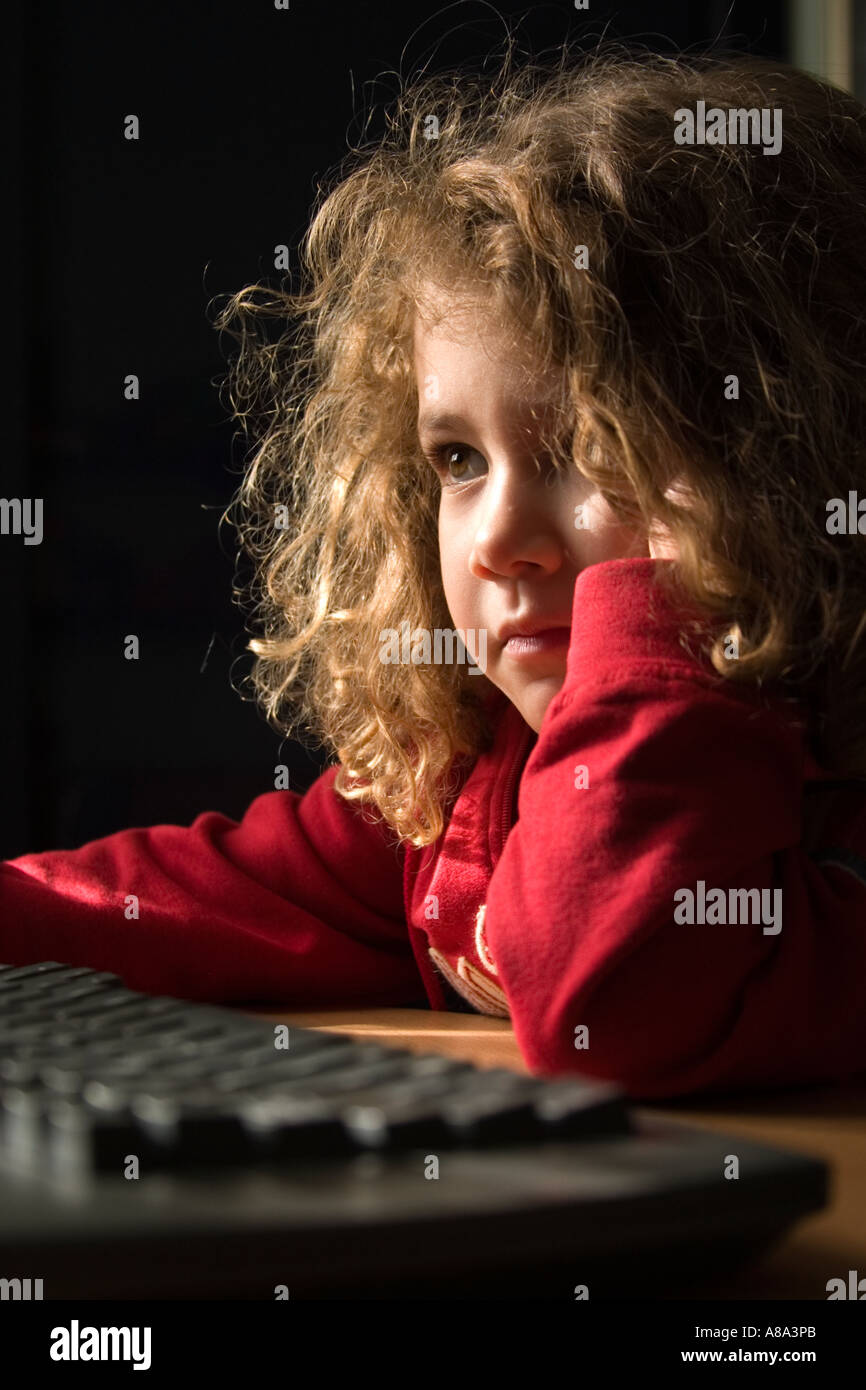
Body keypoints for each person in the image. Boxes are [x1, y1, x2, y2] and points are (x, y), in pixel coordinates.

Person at [4, 42, 866, 1100]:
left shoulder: (826, 804)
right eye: (457, 459)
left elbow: (620, 996)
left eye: (597, 447)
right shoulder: (459, 786)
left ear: (787, 459)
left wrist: (673, 614)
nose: (499, 537)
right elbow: (176, 901)